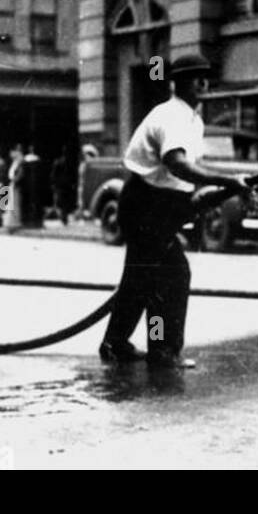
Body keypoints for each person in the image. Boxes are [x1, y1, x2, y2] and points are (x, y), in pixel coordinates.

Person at [99, 54, 249, 369]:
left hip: (159, 205)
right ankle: (162, 351)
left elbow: (183, 180)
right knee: (170, 276)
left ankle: (115, 344)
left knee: (141, 278)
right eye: (196, 77)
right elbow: (177, 164)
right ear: (178, 83)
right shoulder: (168, 115)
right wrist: (223, 179)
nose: (203, 83)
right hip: (143, 204)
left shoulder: (195, 121)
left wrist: (215, 191)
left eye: (205, 77)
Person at [50, 146, 75, 225]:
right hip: (66, 185)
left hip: (61, 185)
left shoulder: (58, 162)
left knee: (62, 202)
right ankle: (64, 217)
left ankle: (63, 217)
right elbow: (72, 174)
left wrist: (53, 183)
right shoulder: (69, 163)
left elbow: (53, 174)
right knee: (65, 202)